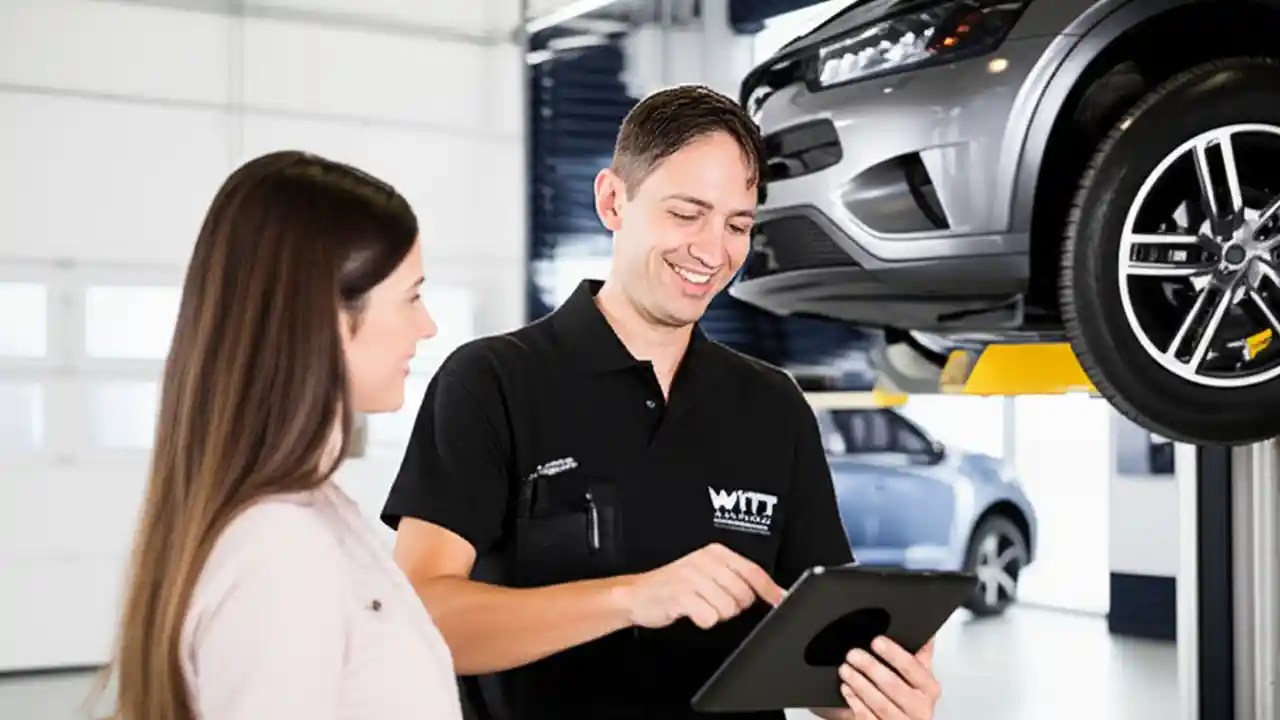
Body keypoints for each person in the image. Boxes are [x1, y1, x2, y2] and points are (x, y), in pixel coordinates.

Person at [382, 85, 942, 720]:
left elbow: (814, 647)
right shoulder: (491, 381)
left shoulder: (772, 405)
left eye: (738, 225)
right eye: (686, 214)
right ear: (612, 200)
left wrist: (875, 693)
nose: (712, 250)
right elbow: (420, 617)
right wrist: (631, 598)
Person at [103, 151, 463, 720]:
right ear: (326, 316)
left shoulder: (307, 513)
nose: (428, 326)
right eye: (412, 296)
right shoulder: (281, 547)